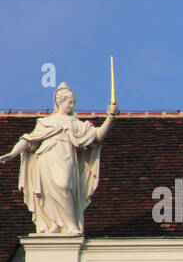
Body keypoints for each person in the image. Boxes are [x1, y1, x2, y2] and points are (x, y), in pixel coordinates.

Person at [1, 83, 117, 234]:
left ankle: (70, 225)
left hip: (65, 157)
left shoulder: (74, 123)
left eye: (73, 102)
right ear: (60, 102)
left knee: (63, 186)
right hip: (45, 158)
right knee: (48, 192)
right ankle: (54, 224)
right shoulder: (46, 122)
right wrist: (12, 153)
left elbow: (97, 136)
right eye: (70, 102)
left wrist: (110, 118)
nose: (72, 105)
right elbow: (28, 140)